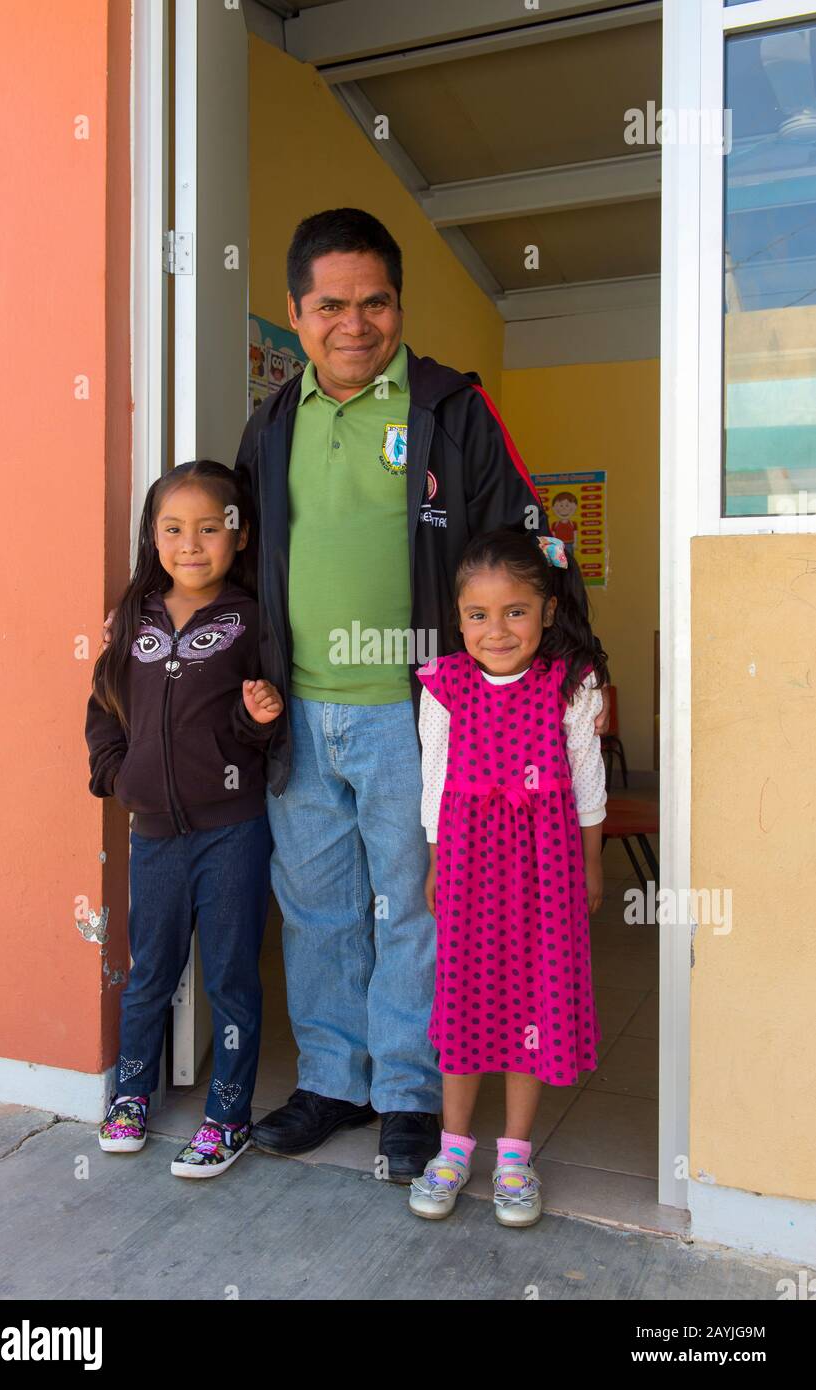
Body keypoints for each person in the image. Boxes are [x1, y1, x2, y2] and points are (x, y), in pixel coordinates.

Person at [235, 207, 610, 1181]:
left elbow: (535, 545)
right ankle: (331, 1079)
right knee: (316, 907)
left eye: (373, 303)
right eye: (329, 306)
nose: (352, 324)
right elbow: (237, 565)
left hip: (422, 712)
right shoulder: (272, 423)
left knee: (410, 906)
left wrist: (582, 670)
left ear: (397, 304)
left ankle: (404, 1090)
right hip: (299, 713)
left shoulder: (451, 409)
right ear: (295, 310)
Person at [85, 461, 283, 1178]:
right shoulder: (132, 617)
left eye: (209, 528)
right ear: (152, 536)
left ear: (239, 535)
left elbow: (248, 724)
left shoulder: (250, 619)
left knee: (231, 975)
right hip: (154, 835)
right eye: (173, 529)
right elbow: (104, 705)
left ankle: (227, 1116)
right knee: (150, 972)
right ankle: (131, 1094)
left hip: (232, 829)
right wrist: (116, 774)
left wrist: (255, 719)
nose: (191, 544)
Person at [408, 527, 608, 1226]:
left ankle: (514, 1156)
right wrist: (435, 862)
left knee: (534, 1001)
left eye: (515, 612)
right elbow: (434, 782)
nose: (496, 630)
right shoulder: (445, 686)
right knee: (465, 998)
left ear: (547, 611)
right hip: (467, 862)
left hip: (547, 866)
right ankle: (453, 1148)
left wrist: (590, 861)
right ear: (458, 617)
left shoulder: (569, 684)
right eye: (477, 615)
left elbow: (587, 781)